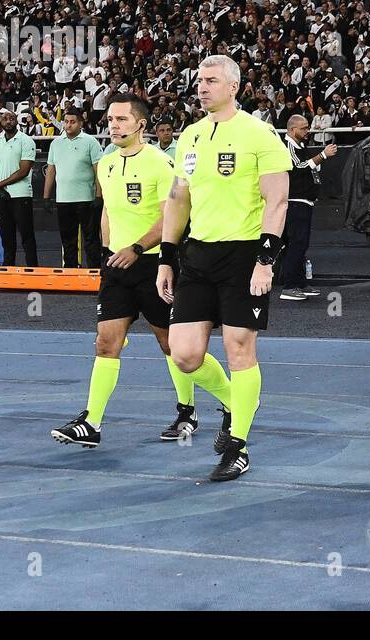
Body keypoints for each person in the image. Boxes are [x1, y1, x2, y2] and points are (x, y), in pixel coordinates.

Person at [51, 93, 224, 446]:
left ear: (140, 124)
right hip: (117, 264)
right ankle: (92, 423)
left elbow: (172, 217)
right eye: (111, 119)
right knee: (105, 343)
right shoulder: (106, 163)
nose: (113, 125)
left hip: (155, 264)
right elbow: (108, 211)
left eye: (122, 119)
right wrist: (107, 249)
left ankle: (199, 407)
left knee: (172, 345)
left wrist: (138, 248)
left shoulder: (161, 164)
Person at [156, 55, 292, 482]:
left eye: (211, 80)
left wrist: (265, 261)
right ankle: (236, 401)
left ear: (233, 86)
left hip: (244, 254)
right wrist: (166, 256)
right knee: (185, 354)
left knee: (238, 348)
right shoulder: (190, 137)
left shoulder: (260, 134)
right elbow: (179, 200)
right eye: (199, 80)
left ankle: (238, 445)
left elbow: (278, 201)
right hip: (198, 254)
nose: (202, 87)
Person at [280, 114, 337, 302]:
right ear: (292, 130)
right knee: (296, 244)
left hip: (303, 201)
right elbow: (298, 167)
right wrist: (322, 156)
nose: (308, 131)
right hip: (295, 201)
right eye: (303, 128)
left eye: (307, 127)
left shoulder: (300, 146)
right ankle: (289, 286)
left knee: (300, 245)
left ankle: (300, 282)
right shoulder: (286, 146)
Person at [44, 108, 103, 268]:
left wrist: (99, 196)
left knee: (91, 238)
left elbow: (99, 170)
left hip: (87, 199)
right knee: (67, 238)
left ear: (80, 123)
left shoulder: (91, 142)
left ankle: (94, 271)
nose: (68, 125)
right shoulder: (56, 143)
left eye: (72, 122)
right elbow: (51, 170)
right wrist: (46, 197)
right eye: (66, 121)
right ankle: (70, 271)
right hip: (63, 199)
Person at [0, 110, 38, 266]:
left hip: (21, 194)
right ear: (0, 122)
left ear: (17, 121)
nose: (8, 121)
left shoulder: (26, 141)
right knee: (6, 235)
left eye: (11, 118)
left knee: (26, 234)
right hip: (1, 196)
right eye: (4, 119)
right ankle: (8, 267)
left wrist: (0, 185)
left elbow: (24, 171)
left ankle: (32, 268)